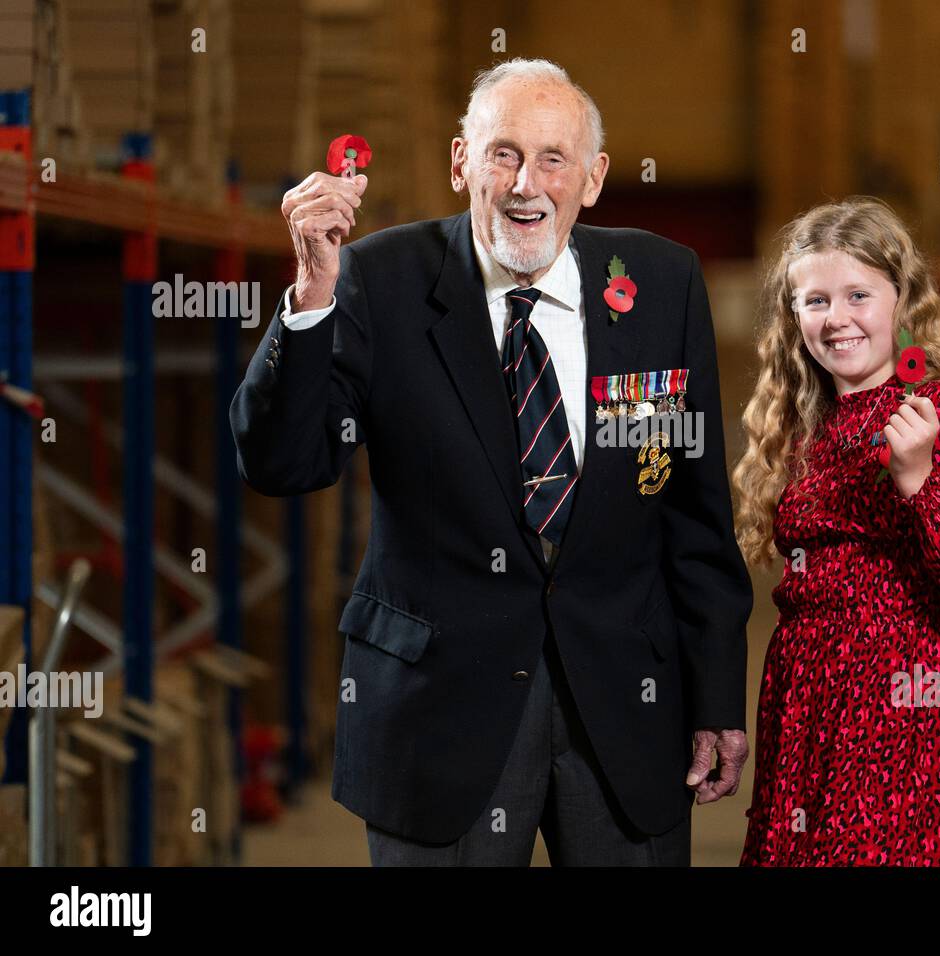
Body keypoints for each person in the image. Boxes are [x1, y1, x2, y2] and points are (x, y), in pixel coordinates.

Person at [229, 58, 752, 866]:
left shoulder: (661, 281)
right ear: (461, 163)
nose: (525, 184)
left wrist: (716, 696)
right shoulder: (378, 279)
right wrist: (309, 297)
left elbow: (695, 516)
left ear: (593, 178)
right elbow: (282, 464)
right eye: (503, 154)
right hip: (438, 715)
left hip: (624, 708)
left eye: (553, 159)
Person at [731, 197, 940, 866]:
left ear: (901, 301)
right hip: (810, 708)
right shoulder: (805, 425)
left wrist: (920, 482)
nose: (836, 318)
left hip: (909, 720)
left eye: (858, 295)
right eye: (815, 301)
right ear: (793, 315)